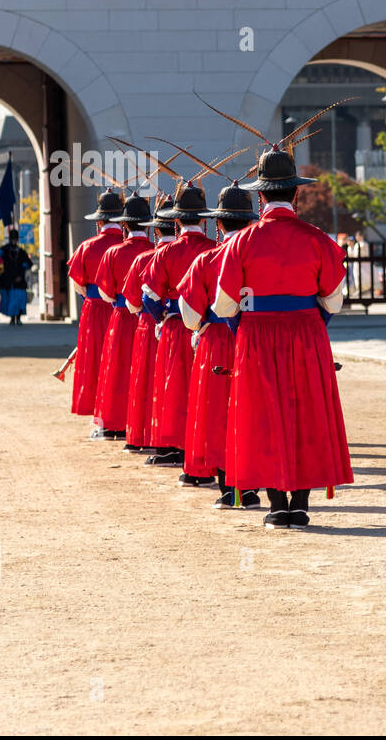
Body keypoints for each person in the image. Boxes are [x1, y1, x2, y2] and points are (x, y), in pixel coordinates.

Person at [211, 144, 353, 531]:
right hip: (306, 333)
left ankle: (276, 504)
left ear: (259, 196)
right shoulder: (317, 239)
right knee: (306, 414)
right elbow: (334, 300)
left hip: (257, 335)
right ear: (296, 193)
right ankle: (301, 504)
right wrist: (309, 318)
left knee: (263, 415)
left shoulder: (239, 242)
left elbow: (224, 306)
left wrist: (245, 324)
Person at [179, 185, 261, 507]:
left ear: (218, 224)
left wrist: (199, 328)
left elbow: (189, 315)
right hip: (256, 337)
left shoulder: (206, 260)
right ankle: (253, 484)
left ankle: (230, 488)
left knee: (219, 413)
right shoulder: (261, 254)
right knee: (255, 409)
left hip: (217, 339)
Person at [141, 184, 217, 467]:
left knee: (174, 388)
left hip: (174, 326)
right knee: (205, 392)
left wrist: (162, 318)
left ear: (176, 221)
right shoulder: (215, 249)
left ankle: (175, 447)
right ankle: (202, 449)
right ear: (206, 220)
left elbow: (149, 296)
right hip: (209, 328)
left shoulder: (166, 253)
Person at [90, 196, 152, 441]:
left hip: (121, 316)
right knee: (144, 374)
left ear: (125, 225)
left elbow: (105, 293)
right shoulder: (153, 251)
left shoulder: (114, 252)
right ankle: (141, 423)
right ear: (149, 225)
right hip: (148, 318)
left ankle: (114, 423)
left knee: (116, 370)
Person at [122, 201, 175, 454]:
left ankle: (153, 439)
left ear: (156, 231)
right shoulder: (207, 252)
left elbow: (133, 302)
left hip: (151, 323)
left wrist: (159, 316)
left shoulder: (146, 259)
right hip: (193, 326)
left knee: (148, 384)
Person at [68, 189, 125, 421]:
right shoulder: (127, 245)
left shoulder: (87, 247)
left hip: (95, 309)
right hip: (123, 310)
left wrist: (91, 299)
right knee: (121, 360)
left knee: (94, 359)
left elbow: (78, 285)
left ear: (99, 220)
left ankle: (99, 413)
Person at [0, 228, 32, 326]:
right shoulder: (4, 251)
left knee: (20, 300)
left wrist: (21, 274)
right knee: (10, 300)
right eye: (12, 239)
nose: (14, 241)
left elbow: (28, 264)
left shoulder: (21, 252)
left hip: (19, 281)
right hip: (7, 280)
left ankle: (18, 318)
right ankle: (12, 318)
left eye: (15, 239)